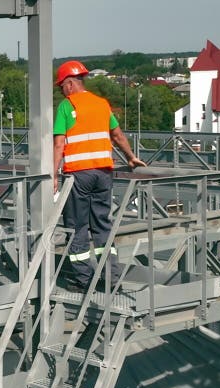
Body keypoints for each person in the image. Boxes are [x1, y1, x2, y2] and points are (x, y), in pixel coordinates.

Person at [52, 60, 146, 293]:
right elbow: (117, 135)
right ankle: (111, 279)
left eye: (62, 86)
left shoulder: (67, 105)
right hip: (104, 173)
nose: (61, 91)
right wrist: (131, 157)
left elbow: (58, 144)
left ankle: (84, 281)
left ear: (70, 84)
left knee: (77, 227)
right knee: (102, 225)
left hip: (78, 175)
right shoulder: (102, 104)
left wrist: (53, 175)